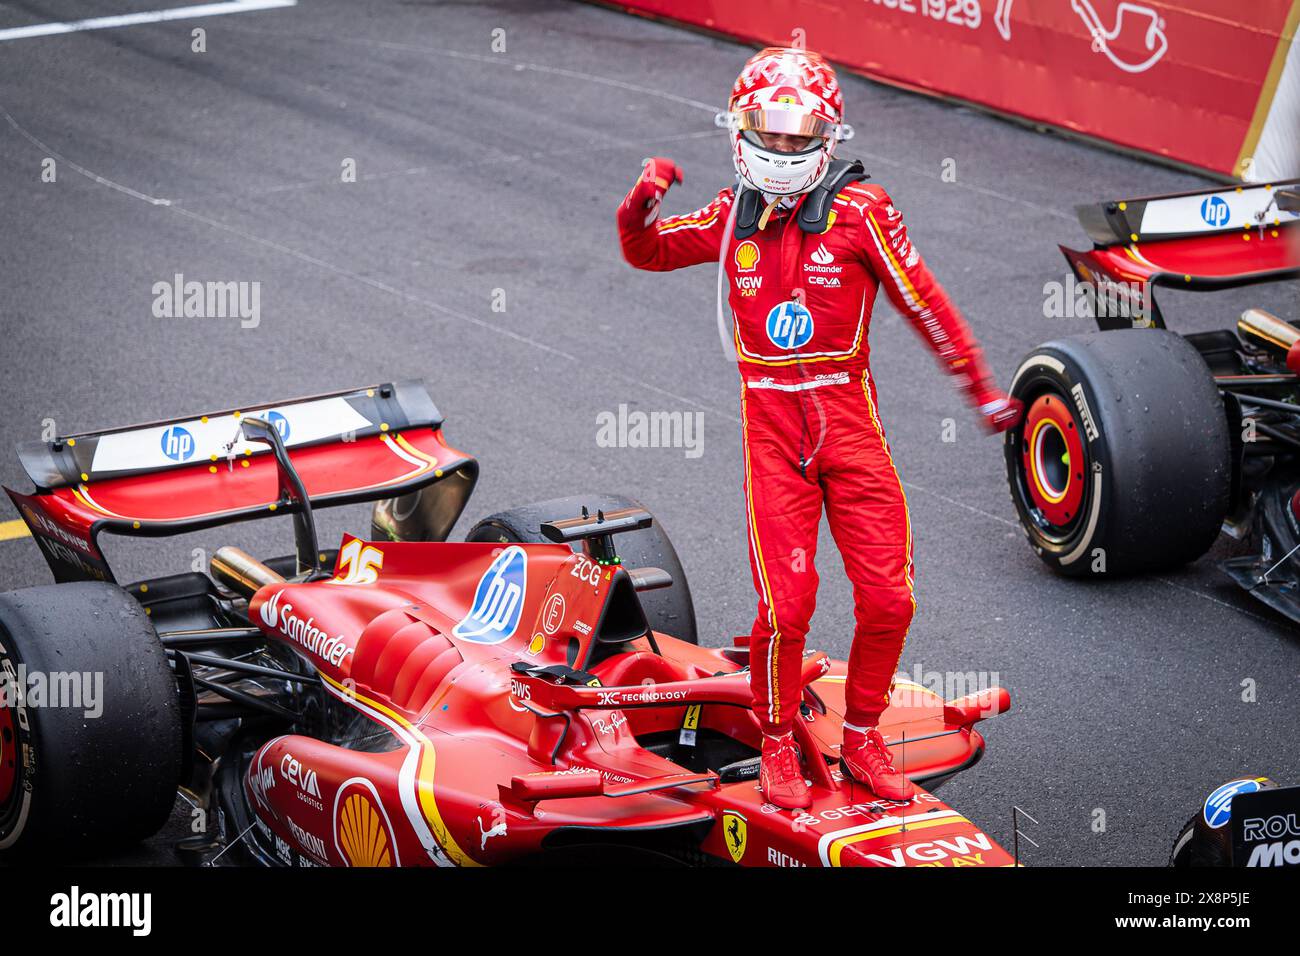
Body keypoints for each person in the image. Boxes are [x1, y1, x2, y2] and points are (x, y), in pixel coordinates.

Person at [616, 47, 1020, 809]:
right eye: (771, 130)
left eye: (802, 134)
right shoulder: (731, 213)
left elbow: (926, 305)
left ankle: (863, 734)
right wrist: (639, 202)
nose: (785, 147)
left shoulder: (866, 212)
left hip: (849, 426)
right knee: (787, 604)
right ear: (741, 131)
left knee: (890, 598)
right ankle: (775, 741)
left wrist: (982, 386)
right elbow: (647, 251)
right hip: (771, 434)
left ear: (829, 136)